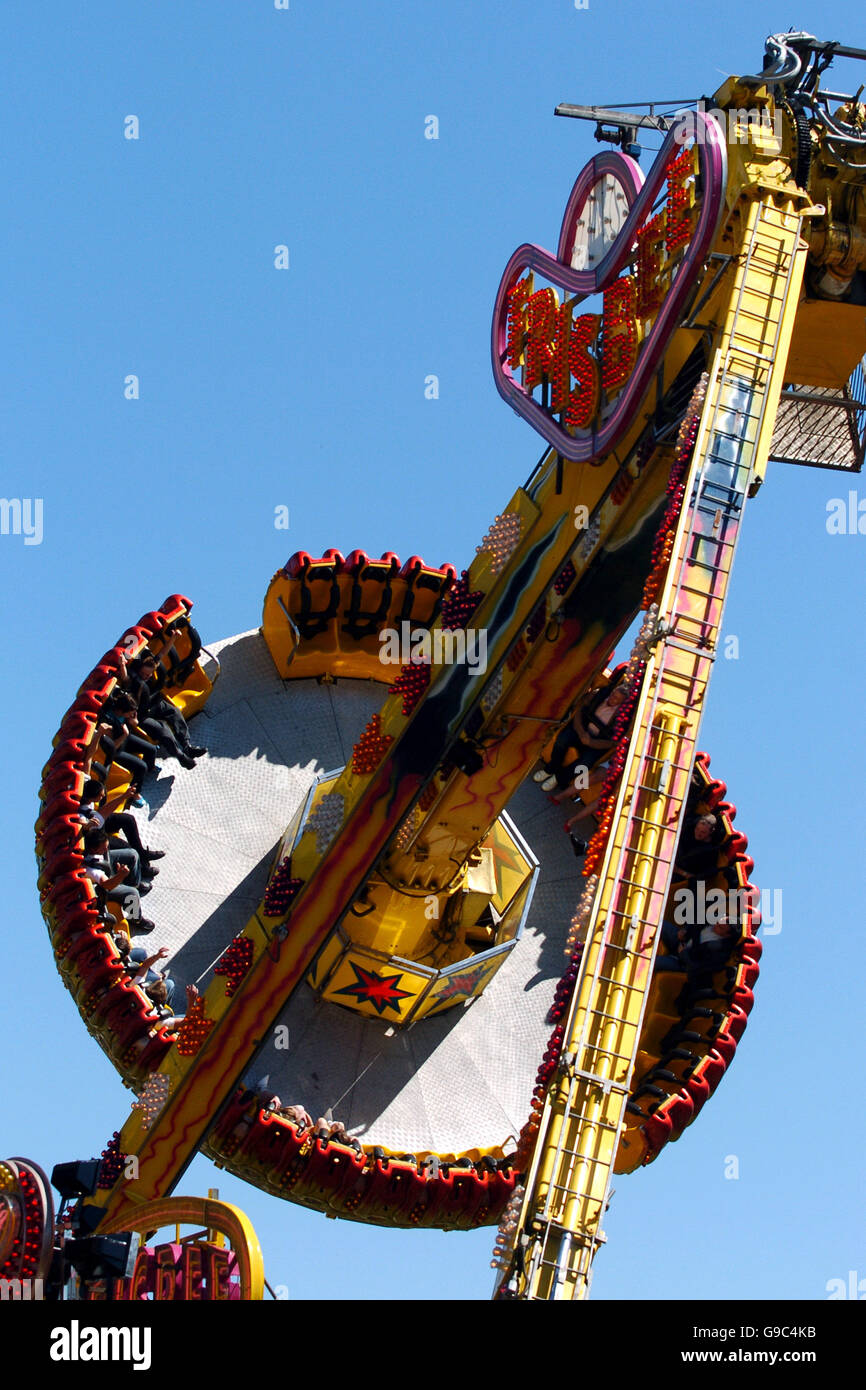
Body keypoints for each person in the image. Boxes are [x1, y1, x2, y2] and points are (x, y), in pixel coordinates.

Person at [123, 650, 206, 760]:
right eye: (143, 674)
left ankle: (187, 746)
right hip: (142, 714)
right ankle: (181, 756)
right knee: (163, 729)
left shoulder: (151, 665)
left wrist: (173, 637)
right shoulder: (132, 679)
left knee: (174, 712)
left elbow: (161, 654)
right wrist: (121, 664)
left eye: (148, 675)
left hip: (154, 703)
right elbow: (124, 678)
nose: (145, 677)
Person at [76, 778, 165, 870]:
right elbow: (84, 824)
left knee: (128, 819)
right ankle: (142, 869)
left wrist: (125, 796)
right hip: (92, 836)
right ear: (92, 797)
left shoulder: (87, 795)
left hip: (97, 822)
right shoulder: (82, 814)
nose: (103, 796)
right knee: (127, 848)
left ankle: (142, 853)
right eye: (101, 796)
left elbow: (102, 813)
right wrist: (87, 825)